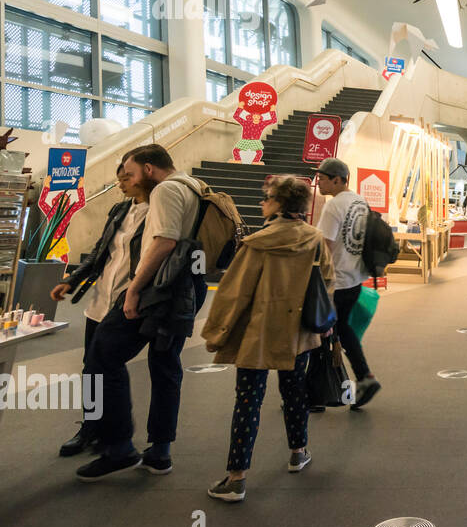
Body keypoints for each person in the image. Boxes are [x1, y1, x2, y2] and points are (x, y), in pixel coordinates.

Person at [77, 145, 209, 481]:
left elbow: (164, 241)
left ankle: (119, 447)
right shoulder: (194, 186)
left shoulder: (165, 190)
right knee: (166, 368)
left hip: (157, 292)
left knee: (102, 355)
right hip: (185, 291)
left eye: (131, 173)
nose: (126, 181)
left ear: (149, 169)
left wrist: (133, 289)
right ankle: (160, 451)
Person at [203, 176, 334, 502]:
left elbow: (234, 293)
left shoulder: (257, 244)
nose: (263, 203)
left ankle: (236, 478)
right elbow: (328, 281)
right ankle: (298, 452)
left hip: (258, 335)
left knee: (248, 402)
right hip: (298, 334)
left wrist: (217, 333)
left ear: (279, 204)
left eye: (267, 198)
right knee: (295, 393)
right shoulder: (315, 239)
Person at [51, 162, 148, 457]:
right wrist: (72, 280)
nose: (122, 184)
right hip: (100, 301)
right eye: (119, 179)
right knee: (91, 368)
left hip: (126, 303)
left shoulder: (158, 211)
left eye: (127, 178)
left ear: (145, 175)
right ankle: (90, 428)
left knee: (107, 363)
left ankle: (115, 438)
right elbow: (99, 251)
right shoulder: (120, 210)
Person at [313, 158, 381, 409]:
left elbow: (325, 247)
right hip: (354, 278)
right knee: (340, 329)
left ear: (338, 179)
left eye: (323, 177)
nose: (319, 181)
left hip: (336, 280)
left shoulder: (334, 207)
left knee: (321, 331)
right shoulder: (359, 201)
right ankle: (363, 378)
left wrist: (316, 282)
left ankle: (318, 393)